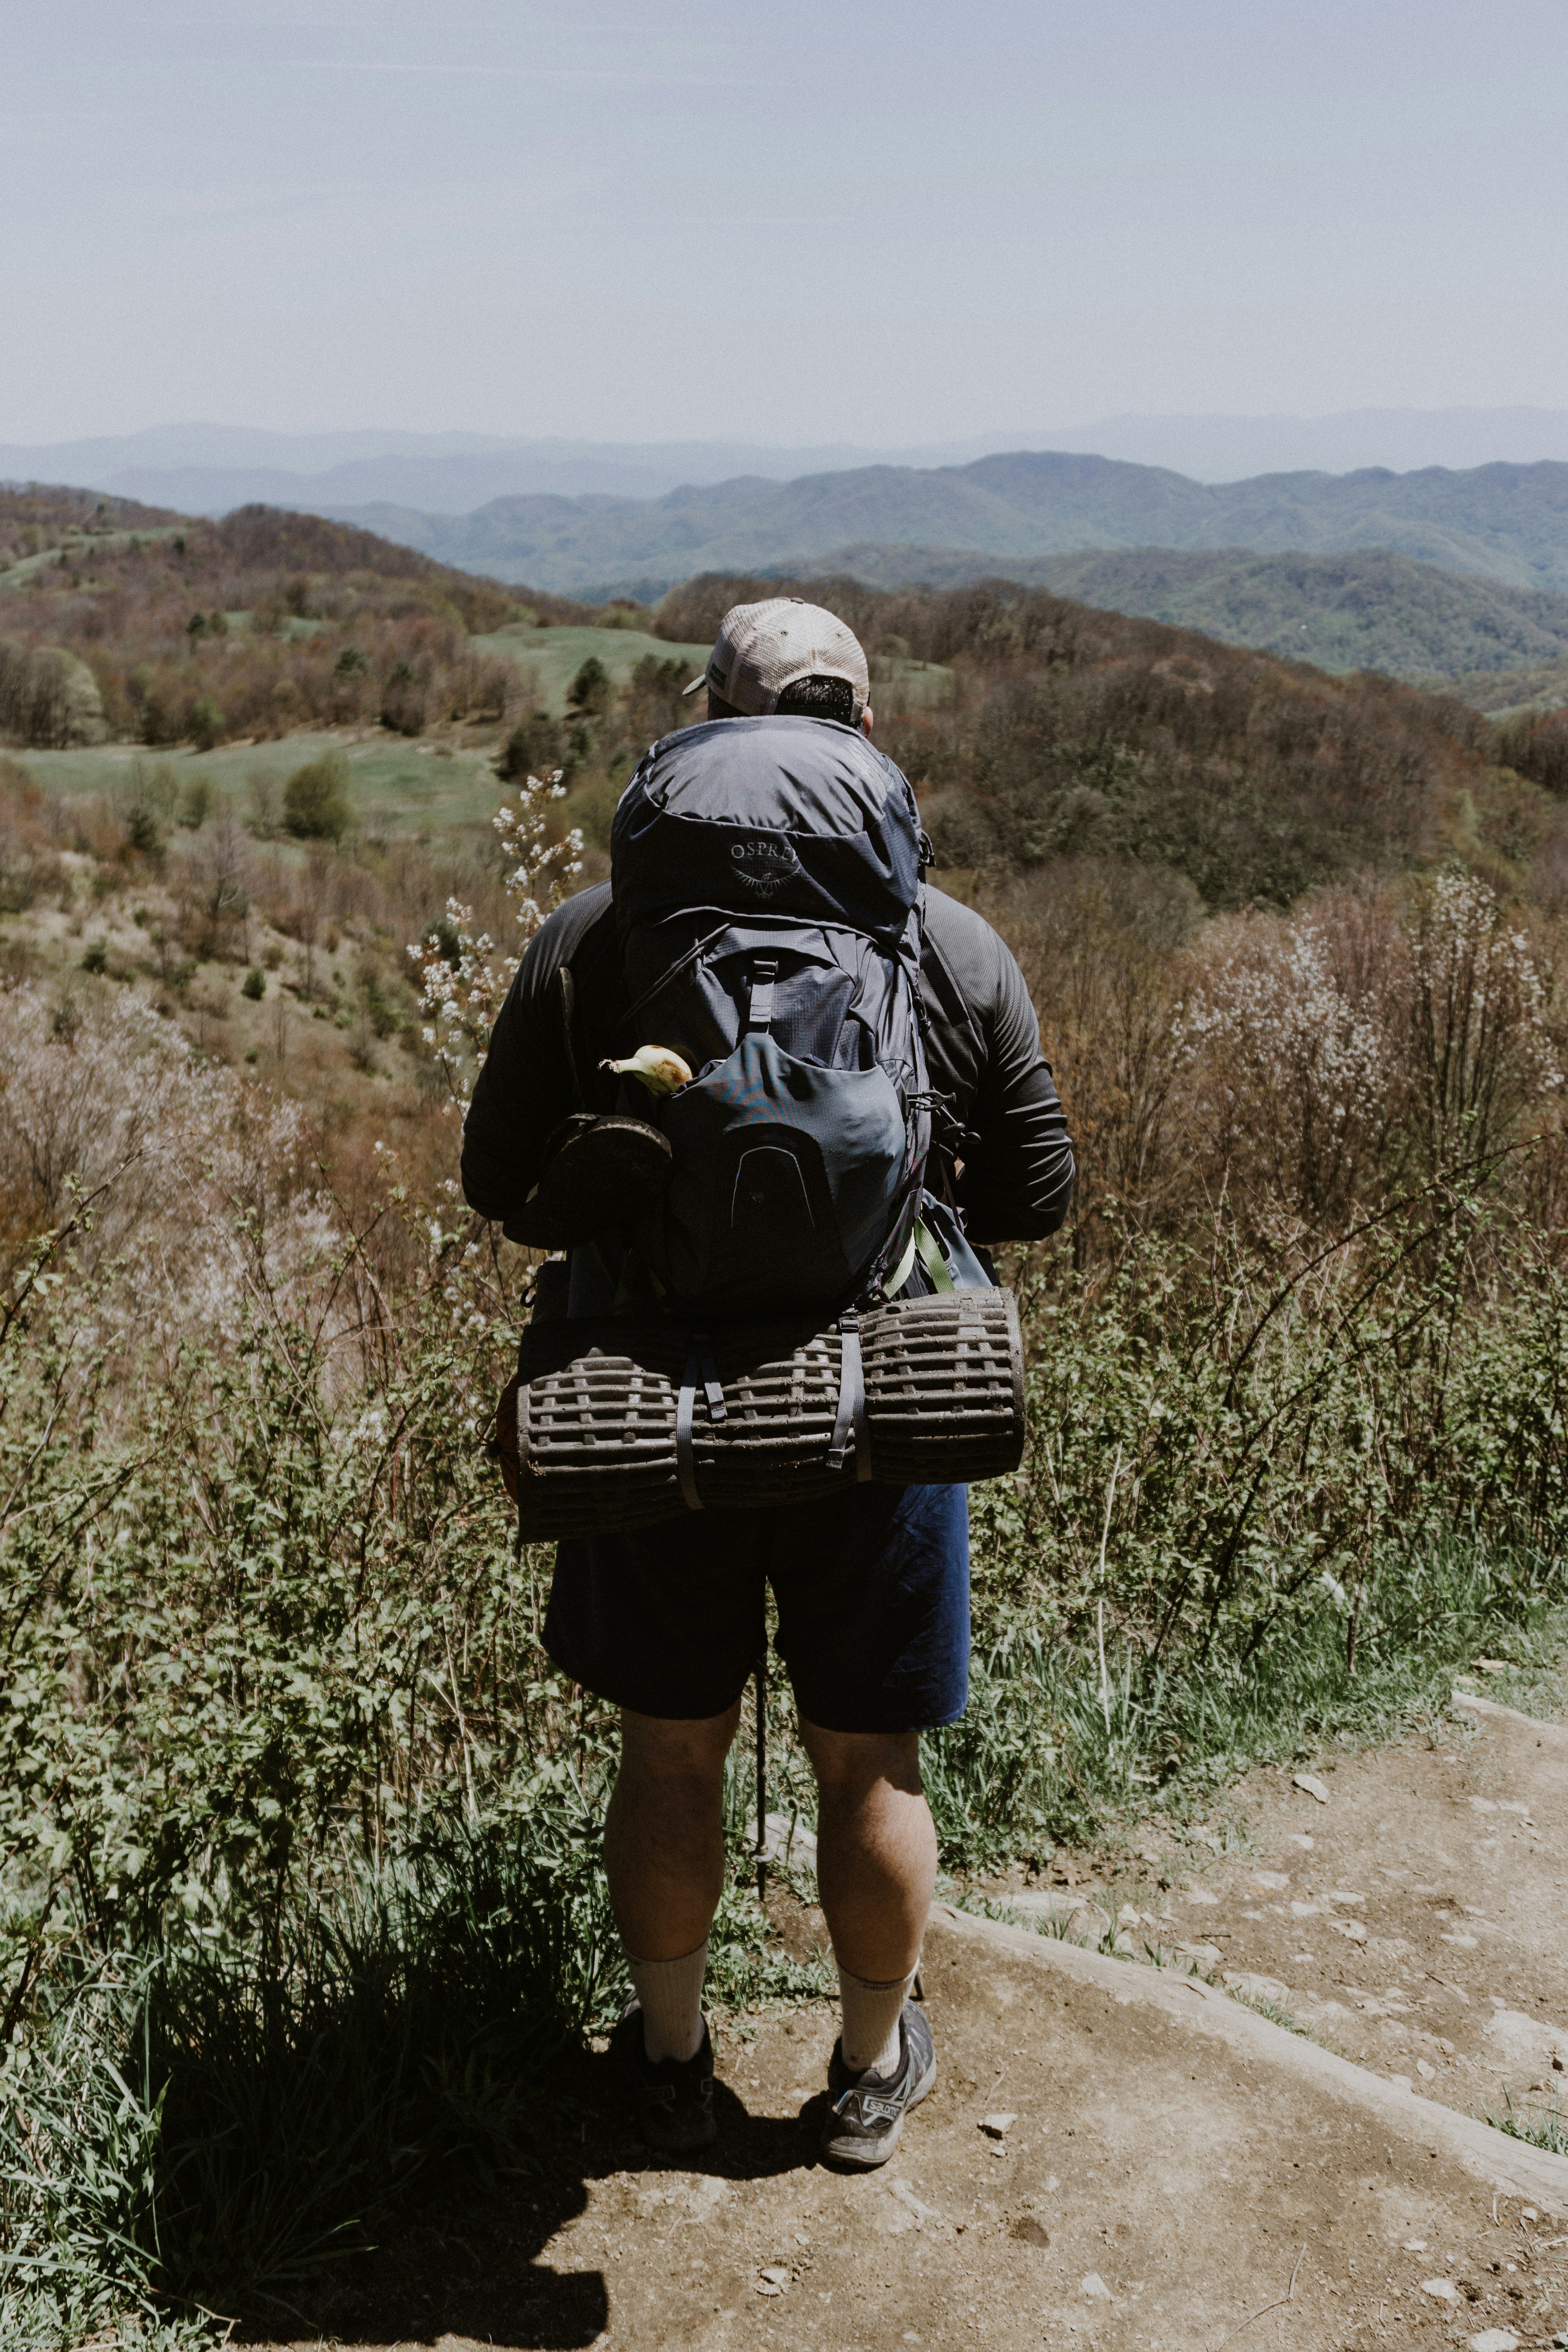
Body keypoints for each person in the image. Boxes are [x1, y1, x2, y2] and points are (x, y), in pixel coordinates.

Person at [462, 599, 1074, 2168]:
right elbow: (1038, 1197)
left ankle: (667, 2060)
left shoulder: (596, 939)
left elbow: (494, 1176)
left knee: (671, 1752)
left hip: (650, 1402)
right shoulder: (946, 943)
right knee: (868, 1762)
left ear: (706, 723)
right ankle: (866, 2072)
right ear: (863, 731)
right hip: (884, 1403)